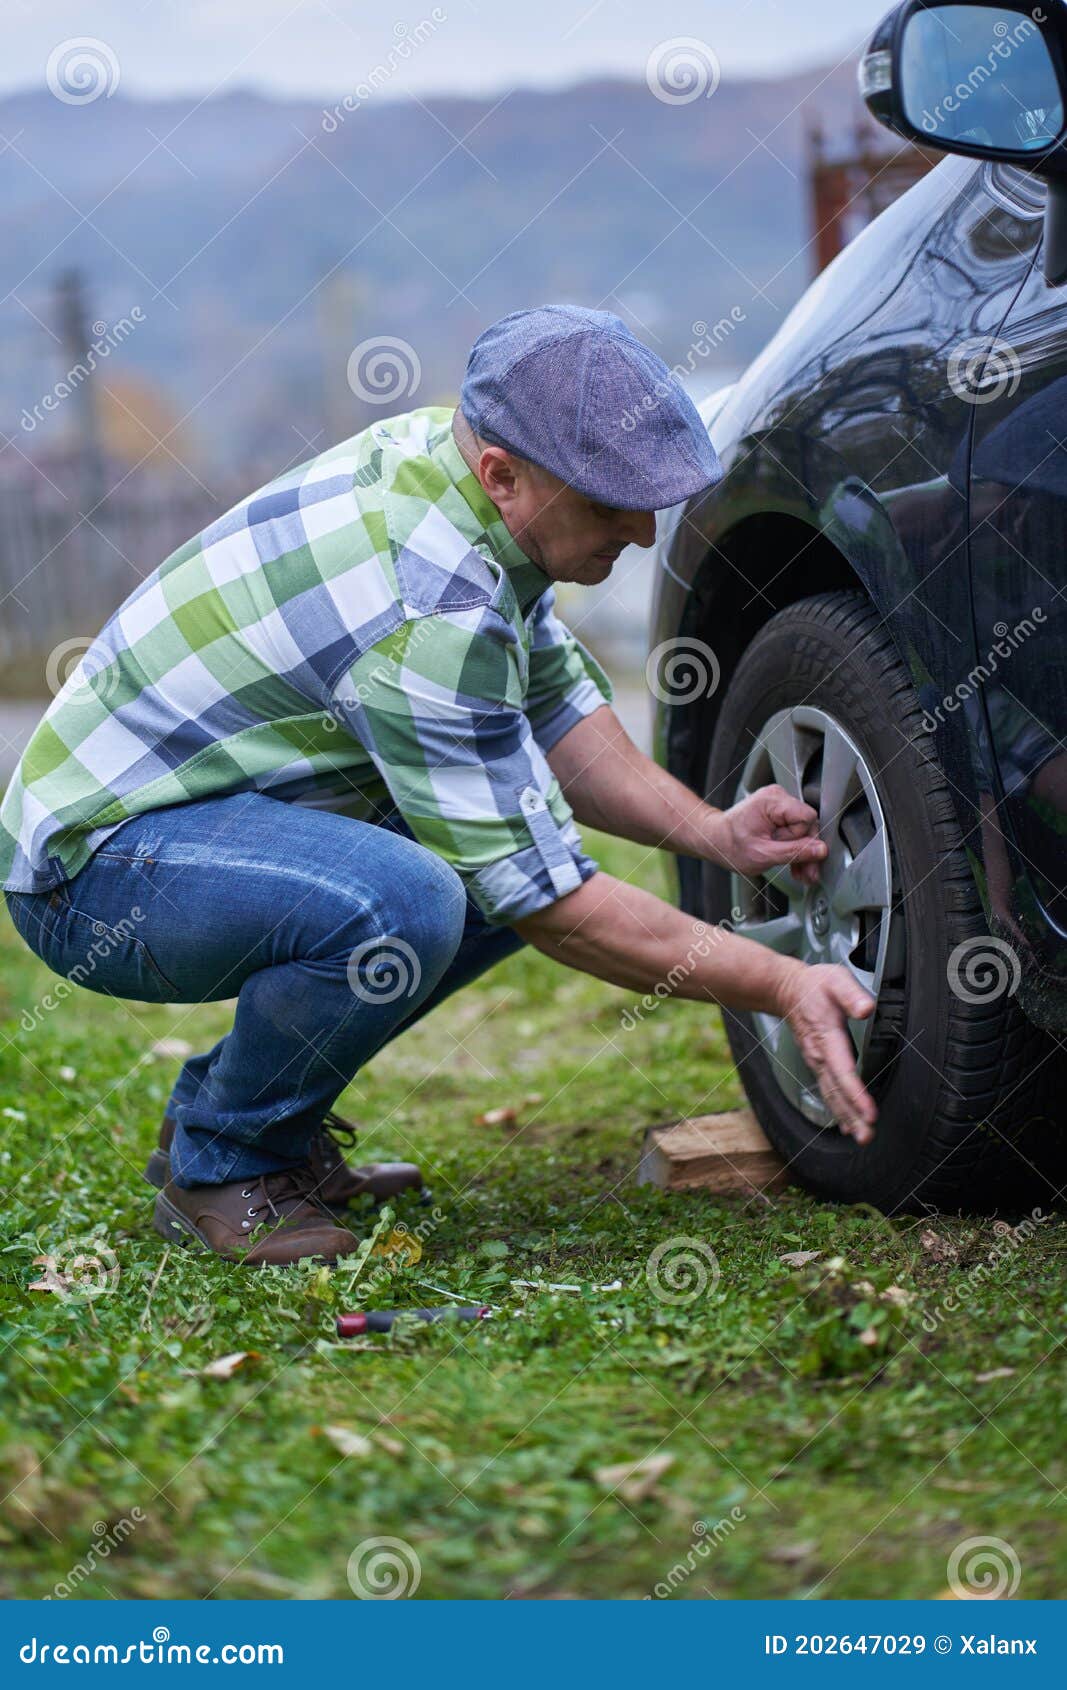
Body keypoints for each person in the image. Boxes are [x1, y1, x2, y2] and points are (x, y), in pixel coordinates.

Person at [1, 305, 876, 1266]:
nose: (640, 528)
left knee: (479, 867)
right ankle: (227, 1163)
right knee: (411, 900)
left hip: (199, 815)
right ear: (503, 474)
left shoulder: (456, 474)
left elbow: (554, 714)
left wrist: (715, 833)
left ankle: (242, 1117)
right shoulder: (428, 603)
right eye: (608, 503)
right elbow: (554, 909)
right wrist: (780, 982)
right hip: (96, 869)